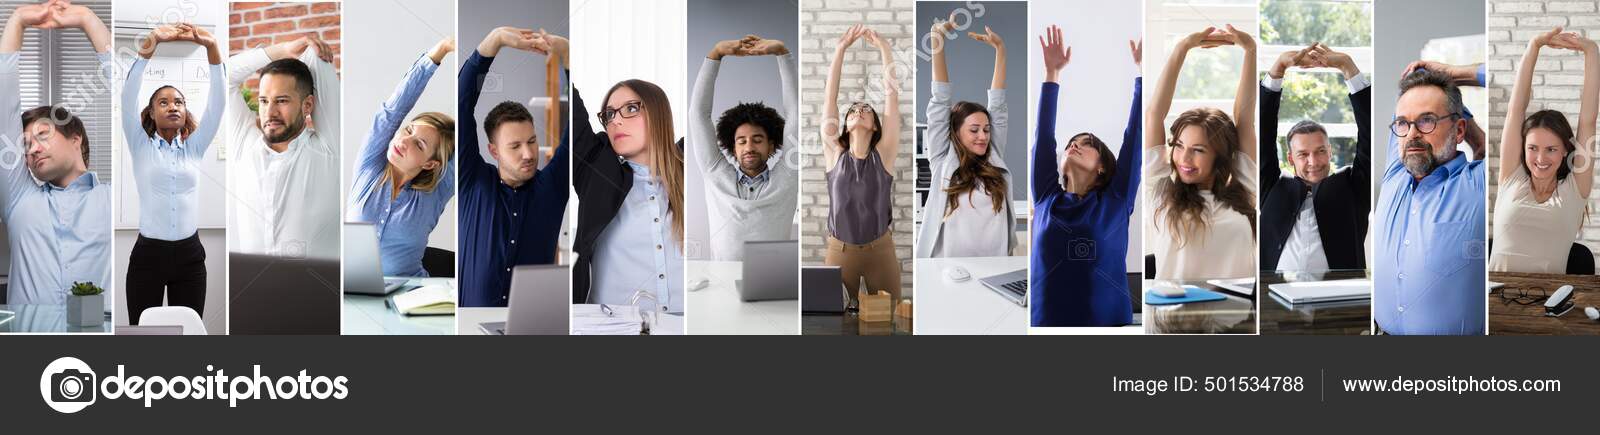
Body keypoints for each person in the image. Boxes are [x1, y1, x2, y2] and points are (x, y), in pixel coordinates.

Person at [0, 1, 112, 306]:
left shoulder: (112, 200)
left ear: (75, 139)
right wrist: (18, 20)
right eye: (25, 145)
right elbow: (3, 101)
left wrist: (88, 19)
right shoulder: (19, 200)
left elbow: (126, 101)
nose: (32, 147)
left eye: (43, 135)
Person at [1029, 25, 1142, 326]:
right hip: (1046, 328)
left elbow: (1134, 137)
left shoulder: (1117, 200)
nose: (1075, 145)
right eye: (1072, 143)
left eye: (1087, 144)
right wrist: (1051, 74)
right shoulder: (1045, 198)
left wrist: (1142, 74)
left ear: (1103, 165)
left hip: (1109, 328)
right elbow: (1043, 138)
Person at [1374, 61, 1488, 335]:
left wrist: (1455, 74)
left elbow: (1513, 79)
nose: (1412, 134)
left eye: (1427, 120)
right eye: (1403, 123)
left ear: (1459, 130)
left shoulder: (1482, 181)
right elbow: (1414, 81)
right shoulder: (1396, 173)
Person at [458, 27, 570, 307]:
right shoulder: (472, 180)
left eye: (532, 141)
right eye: (515, 146)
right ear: (493, 150)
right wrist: (494, 40)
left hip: (533, 329)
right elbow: (461, 103)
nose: (528, 153)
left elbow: (578, 121)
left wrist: (566, 54)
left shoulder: (552, 187)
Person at [122, 22, 222, 322]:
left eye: (178, 101)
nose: (172, 107)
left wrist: (212, 48)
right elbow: (128, 95)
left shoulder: (195, 147)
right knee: (143, 335)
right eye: (163, 102)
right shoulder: (140, 145)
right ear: (152, 112)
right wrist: (150, 44)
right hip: (147, 256)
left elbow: (217, 105)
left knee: (188, 335)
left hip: (190, 256)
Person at [1143, 25, 1258, 280]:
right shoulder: (1162, 191)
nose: (1184, 158)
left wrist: (1251, 50)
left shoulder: (1244, 187)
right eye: (1179, 146)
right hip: (1174, 317)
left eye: (1198, 150)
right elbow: (1153, 114)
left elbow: (1245, 118)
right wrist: (1182, 47)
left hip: (1236, 317)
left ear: (1219, 155)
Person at [572, 76, 685, 317]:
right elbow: (569, 105)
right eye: (610, 115)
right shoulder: (595, 172)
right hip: (612, 327)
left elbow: (703, 118)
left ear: (659, 114)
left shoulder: (690, 169)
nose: (616, 122)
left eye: (631, 109)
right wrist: (561, 56)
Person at [346, 38, 456, 277]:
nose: (403, 141)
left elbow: (467, 138)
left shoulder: (437, 191)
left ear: (431, 163)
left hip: (412, 301)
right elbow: (392, 112)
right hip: (354, 296)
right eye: (408, 130)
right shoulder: (370, 167)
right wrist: (438, 53)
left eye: (419, 144)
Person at [225, 32, 340, 259]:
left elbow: (317, 61)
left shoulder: (329, 150)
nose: (270, 111)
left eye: (282, 100)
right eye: (264, 101)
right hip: (251, 290)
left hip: (313, 291)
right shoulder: (243, 145)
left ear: (307, 105)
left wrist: (310, 51)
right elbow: (224, 75)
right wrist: (282, 50)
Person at [1491, 27, 1597, 273]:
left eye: (1551, 149)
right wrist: (1534, 46)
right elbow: (1515, 110)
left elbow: (1588, 121)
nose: (1540, 158)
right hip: (1494, 302)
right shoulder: (1511, 179)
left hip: (1543, 305)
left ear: (1565, 152)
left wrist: (1592, 51)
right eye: (1532, 148)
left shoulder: (1574, 190)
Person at [1259, 43, 1371, 272]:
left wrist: (1347, 65)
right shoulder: (1272, 185)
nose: (1314, 161)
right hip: (1274, 299)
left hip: (1338, 301)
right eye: (1303, 154)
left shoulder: (1353, 187)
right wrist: (1278, 69)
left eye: (1321, 151)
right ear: (1290, 158)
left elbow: (1369, 131)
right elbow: (1263, 133)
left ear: (1330, 152)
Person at [689, 35, 797, 261]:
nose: (749, 147)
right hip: (721, 284)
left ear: (771, 145)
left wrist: (782, 54)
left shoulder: (788, 175)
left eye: (757, 140)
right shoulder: (714, 172)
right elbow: (698, 114)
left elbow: (796, 114)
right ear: (733, 146)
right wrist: (716, 53)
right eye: (742, 141)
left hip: (773, 284)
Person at [916, 15, 1016, 258]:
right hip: (947, 272)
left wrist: (1000, 50)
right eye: (973, 130)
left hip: (995, 271)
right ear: (956, 132)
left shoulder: (994, 156)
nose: (982, 136)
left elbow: (998, 105)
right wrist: (938, 39)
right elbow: (940, 99)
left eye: (986, 129)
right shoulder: (942, 158)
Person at [820, 24, 902, 311]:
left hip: (880, 250)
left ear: (876, 125)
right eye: (853, 110)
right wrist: (840, 49)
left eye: (865, 109)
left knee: (890, 322)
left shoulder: (885, 154)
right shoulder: (834, 153)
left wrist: (885, 48)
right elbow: (829, 100)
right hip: (839, 250)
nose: (858, 111)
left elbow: (892, 98)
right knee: (829, 322)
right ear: (844, 124)